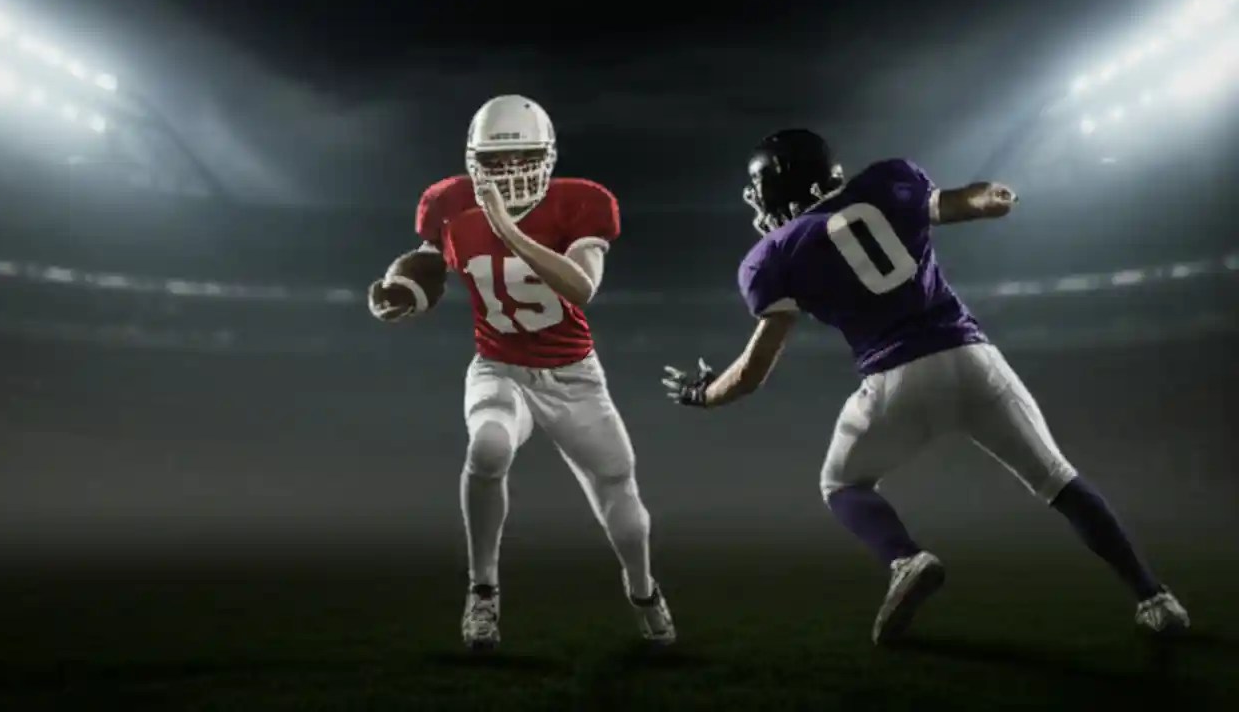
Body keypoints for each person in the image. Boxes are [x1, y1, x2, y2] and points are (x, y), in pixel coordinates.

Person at [661, 128, 1189, 644]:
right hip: (973, 361)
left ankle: (904, 558)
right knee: (1060, 481)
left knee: (841, 486)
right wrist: (997, 197)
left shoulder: (772, 255)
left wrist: (702, 393)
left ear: (775, 189)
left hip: (894, 380)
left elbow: (753, 372)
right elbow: (971, 201)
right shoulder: (890, 182)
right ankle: (1155, 600)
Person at [369, 94, 674, 651]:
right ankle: (482, 591)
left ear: (548, 156)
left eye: (522, 159)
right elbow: (428, 261)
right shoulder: (446, 203)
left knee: (618, 489)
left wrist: (507, 229)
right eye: (495, 163)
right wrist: (402, 287)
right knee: (487, 446)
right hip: (499, 366)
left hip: (574, 375)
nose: (509, 174)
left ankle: (643, 590)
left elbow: (582, 287)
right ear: (472, 161)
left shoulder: (582, 203)